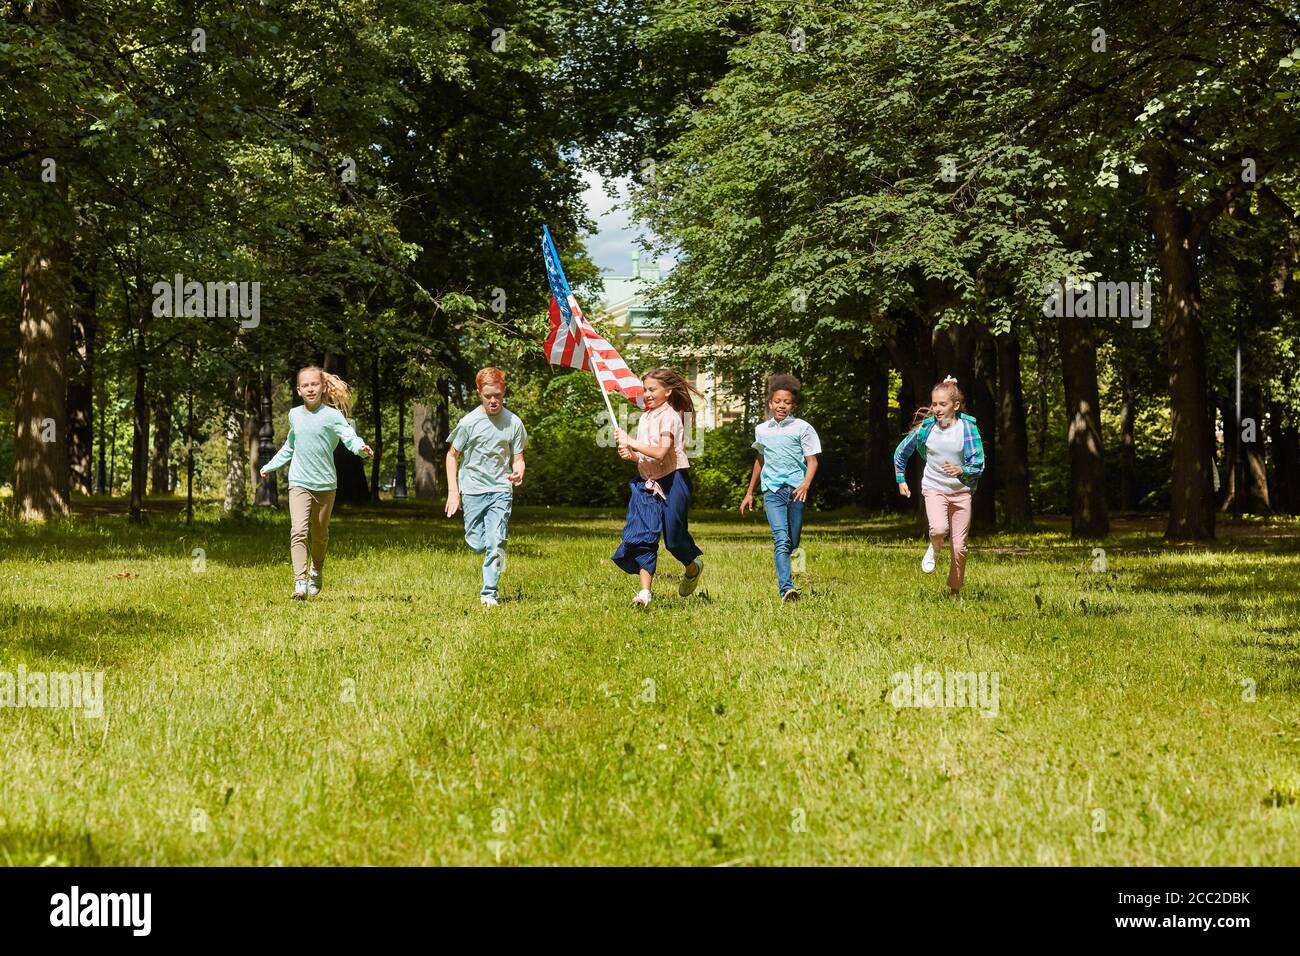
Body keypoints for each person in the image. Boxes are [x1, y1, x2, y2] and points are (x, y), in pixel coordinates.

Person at [260, 366, 373, 600]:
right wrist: (270, 465)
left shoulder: (332, 415)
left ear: (323, 387)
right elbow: (290, 445)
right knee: (298, 531)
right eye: (305, 385)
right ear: (299, 390)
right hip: (299, 481)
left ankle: (316, 569)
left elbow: (349, 437)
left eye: (314, 384)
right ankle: (299, 581)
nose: (310, 389)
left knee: (320, 535)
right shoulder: (294, 415)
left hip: (325, 485)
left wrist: (360, 449)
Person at [612, 368, 704, 608]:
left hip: (673, 481)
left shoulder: (670, 416)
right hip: (647, 484)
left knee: (674, 541)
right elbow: (646, 456)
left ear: (668, 391)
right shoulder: (645, 417)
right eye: (645, 389)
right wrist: (631, 455)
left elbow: (662, 453)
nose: (647, 394)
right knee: (643, 536)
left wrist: (631, 442)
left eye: (652, 389)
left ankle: (693, 568)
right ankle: (644, 593)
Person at [892, 375, 985, 597]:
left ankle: (954, 590)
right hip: (934, 488)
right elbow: (901, 453)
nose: (936, 408)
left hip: (961, 493)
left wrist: (962, 470)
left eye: (942, 404)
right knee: (939, 529)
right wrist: (900, 480)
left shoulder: (967, 429)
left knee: (959, 548)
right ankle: (934, 546)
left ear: (956, 405)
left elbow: (978, 463)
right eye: (934, 403)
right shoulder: (926, 429)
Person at [445, 367, 527, 607]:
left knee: (497, 541)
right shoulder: (469, 422)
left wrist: (519, 470)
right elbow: (452, 456)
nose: (493, 401)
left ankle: (489, 593)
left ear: (504, 392)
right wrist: (453, 492)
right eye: (488, 396)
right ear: (479, 392)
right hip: (472, 490)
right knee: (477, 543)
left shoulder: (514, 422)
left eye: (498, 395)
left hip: (501, 490)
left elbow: (518, 458)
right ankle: (486, 552)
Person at [739, 374, 821, 602]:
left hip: (796, 489)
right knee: (781, 539)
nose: (781, 405)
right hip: (772, 490)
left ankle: (795, 560)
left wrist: (805, 484)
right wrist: (749, 492)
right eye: (777, 401)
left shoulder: (802, 428)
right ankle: (787, 589)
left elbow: (812, 461)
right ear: (770, 403)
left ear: (792, 405)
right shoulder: (762, 430)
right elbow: (760, 459)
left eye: (786, 402)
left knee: (793, 542)